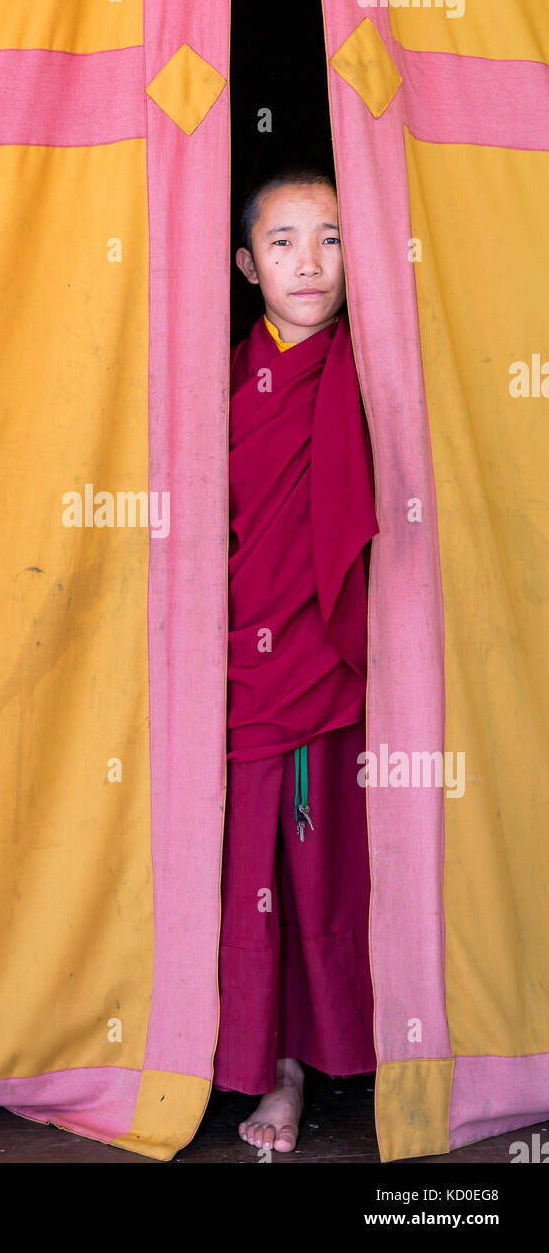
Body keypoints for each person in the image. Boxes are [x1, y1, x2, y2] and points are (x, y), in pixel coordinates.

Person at [214, 165, 379, 1152]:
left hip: (341, 662)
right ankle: (267, 1066)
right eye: (281, 241)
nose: (307, 262)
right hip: (246, 660)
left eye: (329, 237)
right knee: (250, 869)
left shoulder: (380, 366)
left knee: (334, 864)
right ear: (243, 264)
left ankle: (350, 1047)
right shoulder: (221, 382)